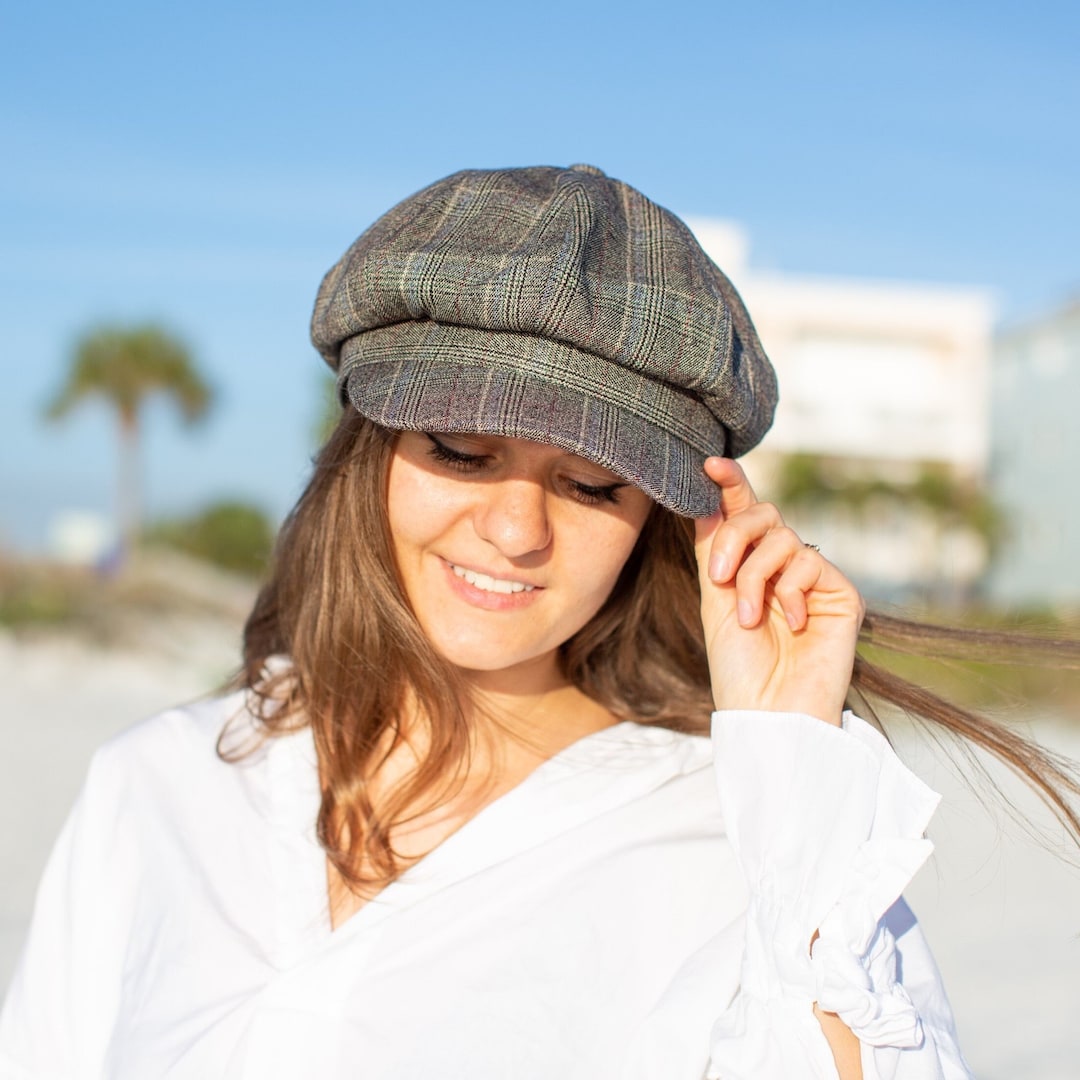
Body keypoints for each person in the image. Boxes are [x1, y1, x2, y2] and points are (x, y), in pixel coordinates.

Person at [7, 161, 1052, 1079]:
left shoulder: (750, 843)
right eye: (462, 452)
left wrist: (786, 757)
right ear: (365, 456)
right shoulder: (164, 783)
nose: (515, 529)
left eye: (592, 484)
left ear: (653, 523)